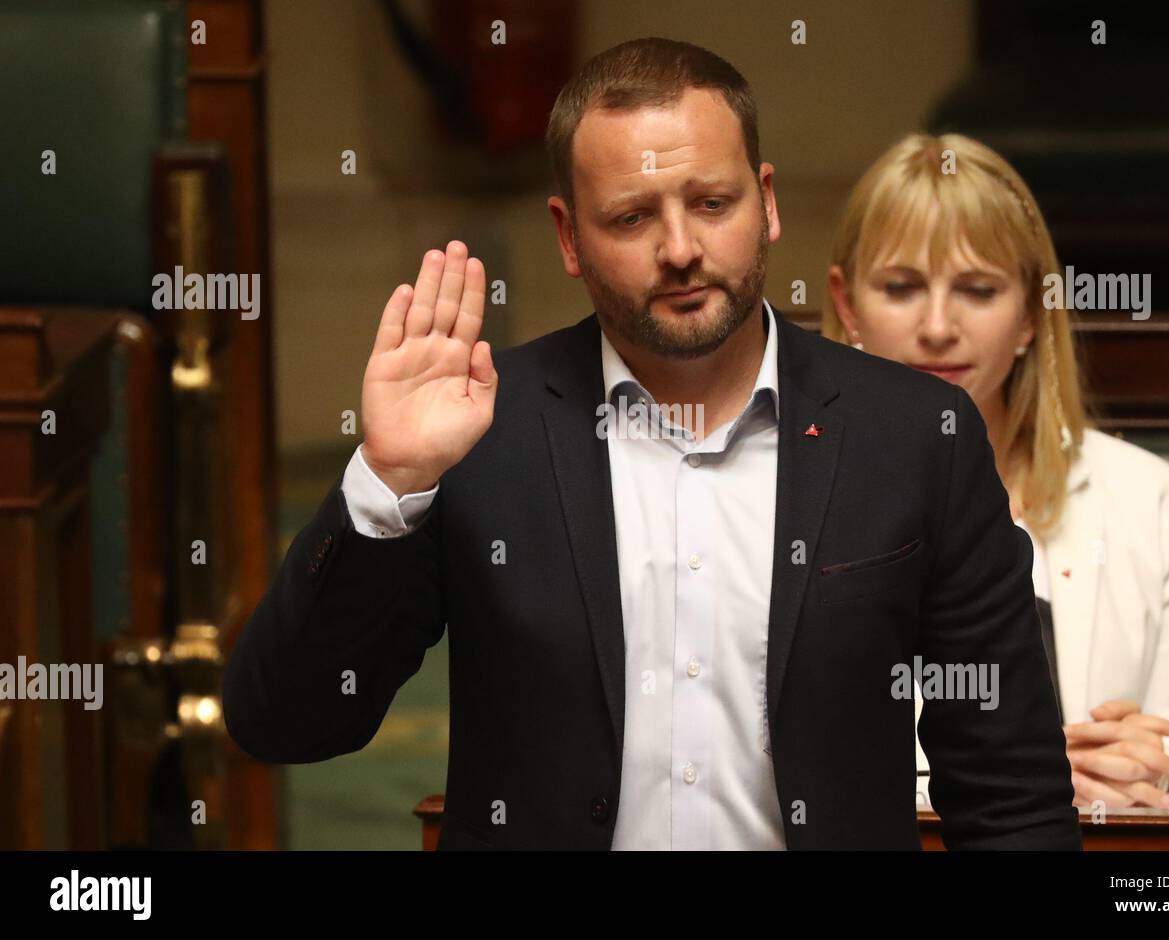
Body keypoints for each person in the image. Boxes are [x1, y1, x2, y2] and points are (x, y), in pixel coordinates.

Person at [223, 40, 1080, 849]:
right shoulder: (481, 431)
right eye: (631, 217)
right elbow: (285, 722)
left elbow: (1010, 795)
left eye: (712, 204)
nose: (680, 250)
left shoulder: (914, 436)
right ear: (569, 237)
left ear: (768, 202)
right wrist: (389, 481)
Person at [823, 133, 1169, 808]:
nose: (938, 326)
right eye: (902, 288)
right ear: (846, 305)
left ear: (1029, 315)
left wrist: (1146, 771)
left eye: (978, 290)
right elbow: (774, 778)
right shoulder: (786, 491)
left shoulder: (1145, 494)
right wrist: (1028, 773)